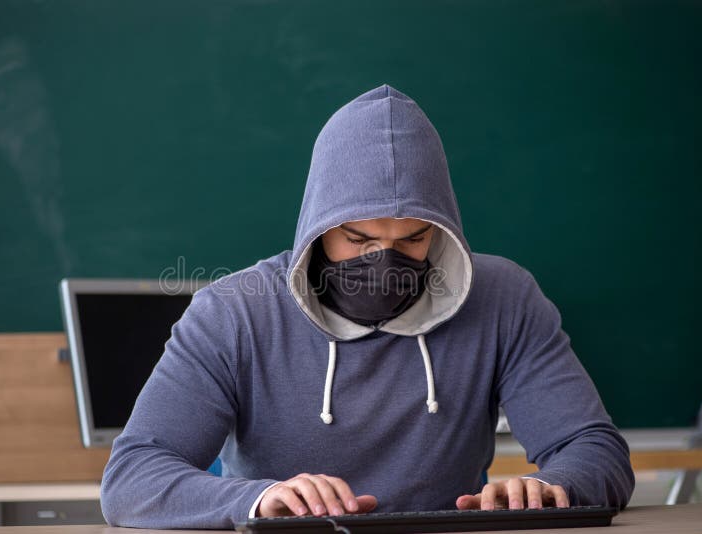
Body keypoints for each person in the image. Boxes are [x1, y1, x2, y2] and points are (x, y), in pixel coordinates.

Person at [100, 85, 635, 529]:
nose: (385, 260)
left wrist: (549, 488)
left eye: (415, 238)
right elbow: (132, 477)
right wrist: (257, 501)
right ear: (318, 228)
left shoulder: (503, 299)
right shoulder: (234, 312)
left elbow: (595, 449)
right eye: (358, 238)